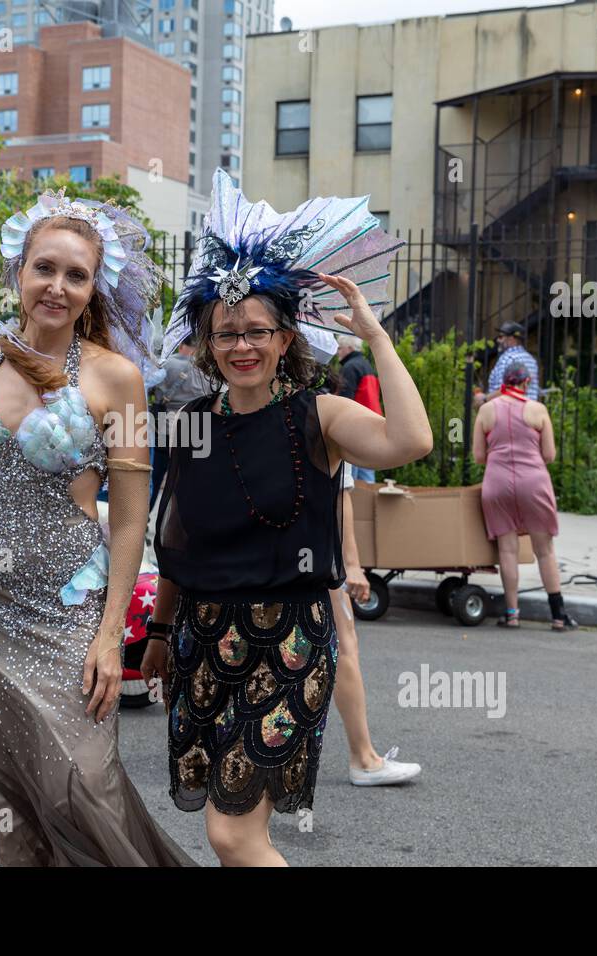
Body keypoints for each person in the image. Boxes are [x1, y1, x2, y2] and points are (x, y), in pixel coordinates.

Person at [141, 168, 430, 866]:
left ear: (284, 337)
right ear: (206, 345)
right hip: (201, 642)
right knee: (240, 833)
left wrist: (377, 338)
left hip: (291, 646)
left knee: (230, 832)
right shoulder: (186, 425)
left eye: (257, 331)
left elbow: (409, 442)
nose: (241, 346)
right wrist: (156, 630)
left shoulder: (319, 416)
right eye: (226, 334)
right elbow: (175, 542)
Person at [0, 188, 193, 866]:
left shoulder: (122, 379)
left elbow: (132, 517)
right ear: (19, 271)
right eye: (44, 267)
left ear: (93, 289)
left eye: (76, 275)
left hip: (66, 613)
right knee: (13, 793)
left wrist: (114, 635)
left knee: (78, 783)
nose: (57, 286)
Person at [332, 462, 423, 786]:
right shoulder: (319, 413)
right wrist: (352, 565)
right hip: (307, 556)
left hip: (262, 555)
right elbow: (339, 495)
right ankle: (364, 759)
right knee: (342, 645)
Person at [472, 363, 577, 631]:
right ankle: (558, 615)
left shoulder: (485, 410)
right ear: (527, 382)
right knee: (545, 550)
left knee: (507, 549)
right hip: (534, 482)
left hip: (497, 482)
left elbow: (479, 457)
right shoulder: (537, 410)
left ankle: (511, 614)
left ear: (503, 383)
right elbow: (550, 455)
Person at [147, 340, 210, 511]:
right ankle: (173, 523)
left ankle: (145, 518)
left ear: (181, 345)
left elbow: (148, 387)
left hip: (164, 426)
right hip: (195, 430)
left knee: (154, 477)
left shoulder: (167, 365)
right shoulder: (207, 371)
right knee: (183, 484)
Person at [336, 335, 381, 483]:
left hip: (356, 427)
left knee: (350, 477)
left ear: (349, 348)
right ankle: (368, 504)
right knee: (367, 475)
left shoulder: (349, 368)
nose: (338, 352)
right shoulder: (368, 366)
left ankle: (354, 505)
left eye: (340, 348)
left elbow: (344, 402)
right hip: (374, 423)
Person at [474, 321, 540, 408]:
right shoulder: (531, 360)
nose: (498, 340)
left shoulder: (507, 358)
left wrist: (483, 399)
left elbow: (503, 390)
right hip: (530, 413)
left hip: (509, 413)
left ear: (512, 339)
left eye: (501, 337)